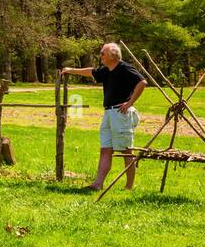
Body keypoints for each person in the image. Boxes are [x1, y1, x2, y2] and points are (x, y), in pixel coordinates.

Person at [60, 43, 147, 192]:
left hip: (121, 114)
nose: (100, 55)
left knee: (126, 150)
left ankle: (129, 187)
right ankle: (97, 184)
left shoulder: (124, 68)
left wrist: (130, 102)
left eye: (102, 53)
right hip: (108, 113)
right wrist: (71, 70)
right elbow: (91, 72)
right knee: (105, 149)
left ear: (113, 55)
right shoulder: (107, 70)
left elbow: (142, 82)